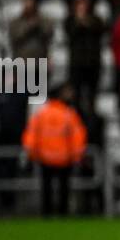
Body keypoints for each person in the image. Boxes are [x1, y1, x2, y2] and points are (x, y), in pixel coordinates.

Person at [22, 83, 87, 217]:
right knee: (64, 189)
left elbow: (31, 135)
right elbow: (78, 136)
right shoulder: (68, 114)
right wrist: (77, 156)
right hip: (64, 158)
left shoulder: (41, 114)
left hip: (45, 158)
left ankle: (46, 214)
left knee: (46, 189)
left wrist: (32, 154)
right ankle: (63, 214)